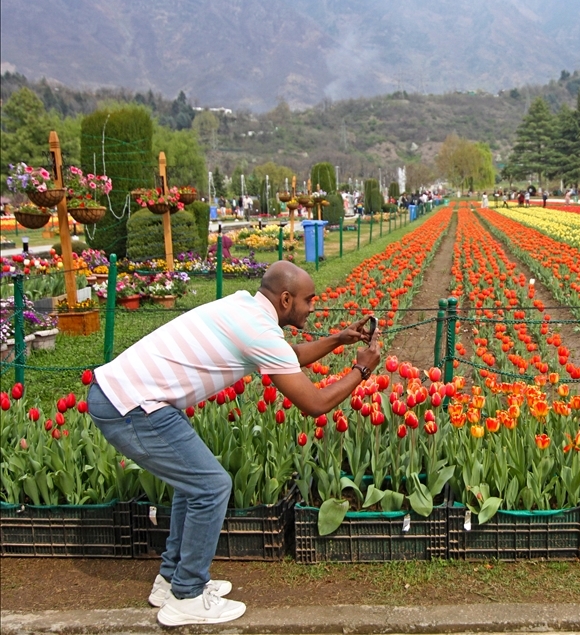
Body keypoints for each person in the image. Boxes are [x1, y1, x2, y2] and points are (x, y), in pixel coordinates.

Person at [88, 262, 381, 626]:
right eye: (308, 300)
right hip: (131, 406)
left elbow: (285, 357)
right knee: (211, 486)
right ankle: (187, 597)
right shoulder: (257, 331)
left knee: (193, 483)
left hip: (135, 398)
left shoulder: (245, 307)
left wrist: (337, 339)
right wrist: (362, 370)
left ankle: (171, 581)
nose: (312, 307)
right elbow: (315, 404)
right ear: (285, 299)